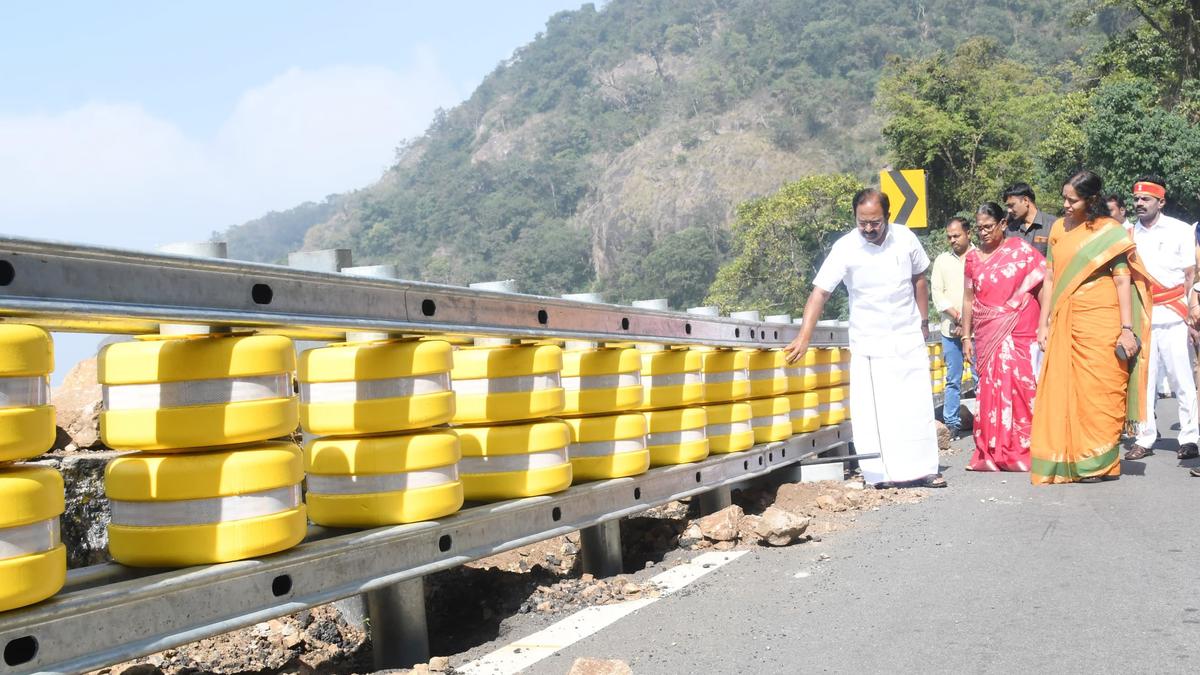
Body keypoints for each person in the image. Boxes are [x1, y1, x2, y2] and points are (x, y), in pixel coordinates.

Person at [784, 187, 943, 488]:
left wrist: (923, 322)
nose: (869, 229)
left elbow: (919, 278)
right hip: (869, 340)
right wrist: (804, 336)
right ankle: (879, 475)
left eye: (875, 223)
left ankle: (926, 469)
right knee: (874, 411)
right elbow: (820, 292)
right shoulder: (845, 248)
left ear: (887, 217)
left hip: (907, 334)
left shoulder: (906, 238)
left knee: (915, 404)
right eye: (862, 223)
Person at [1029, 170, 1153, 484]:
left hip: (1101, 319)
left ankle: (1096, 462)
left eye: (1073, 200)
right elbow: (1051, 278)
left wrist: (1127, 328)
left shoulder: (1108, 231)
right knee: (1065, 389)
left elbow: (1123, 279)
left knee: (1100, 389)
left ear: (1092, 200)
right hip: (1065, 319)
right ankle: (1068, 457)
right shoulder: (1057, 228)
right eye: (1064, 198)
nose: (1066, 205)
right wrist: (1043, 324)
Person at [960, 203, 1046, 472]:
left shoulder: (1021, 251)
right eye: (979, 228)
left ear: (1003, 225)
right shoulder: (973, 258)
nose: (983, 232)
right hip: (986, 334)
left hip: (1020, 330)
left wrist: (1047, 324)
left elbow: (1042, 287)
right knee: (988, 389)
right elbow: (967, 298)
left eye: (988, 227)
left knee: (1022, 388)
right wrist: (965, 336)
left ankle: (1025, 448)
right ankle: (993, 451)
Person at [1125, 175, 1199, 461]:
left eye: (1145, 199)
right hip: (1143, 316)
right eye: (1136, 199)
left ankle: (1190, 437)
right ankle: (1144, 437)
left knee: (1182, 379)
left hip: (1175, 315)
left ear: (1161, 201)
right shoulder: (1129, 234)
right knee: (1144, 381)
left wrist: (1192, 311)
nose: (1139, 204)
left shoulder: (1180, 230)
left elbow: (1190, 275)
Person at [930, 217, 974, 439]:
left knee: (981, 377)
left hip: (977, 329)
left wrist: (968, 321)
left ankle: (986, 422)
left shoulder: (980, 256)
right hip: (950, 328)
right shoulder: (941, 261)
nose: (953, 240)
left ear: (968, 233)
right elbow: (937, 293)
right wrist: (958, 318)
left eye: (956, 235)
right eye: (949, 237)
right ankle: (952, 423)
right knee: (953, 378)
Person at [1003, 182, 1055, 256]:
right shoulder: (1010, 229)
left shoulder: (1052, 225)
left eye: (1011, 205)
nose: (1009, 210)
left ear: (1025, 201)